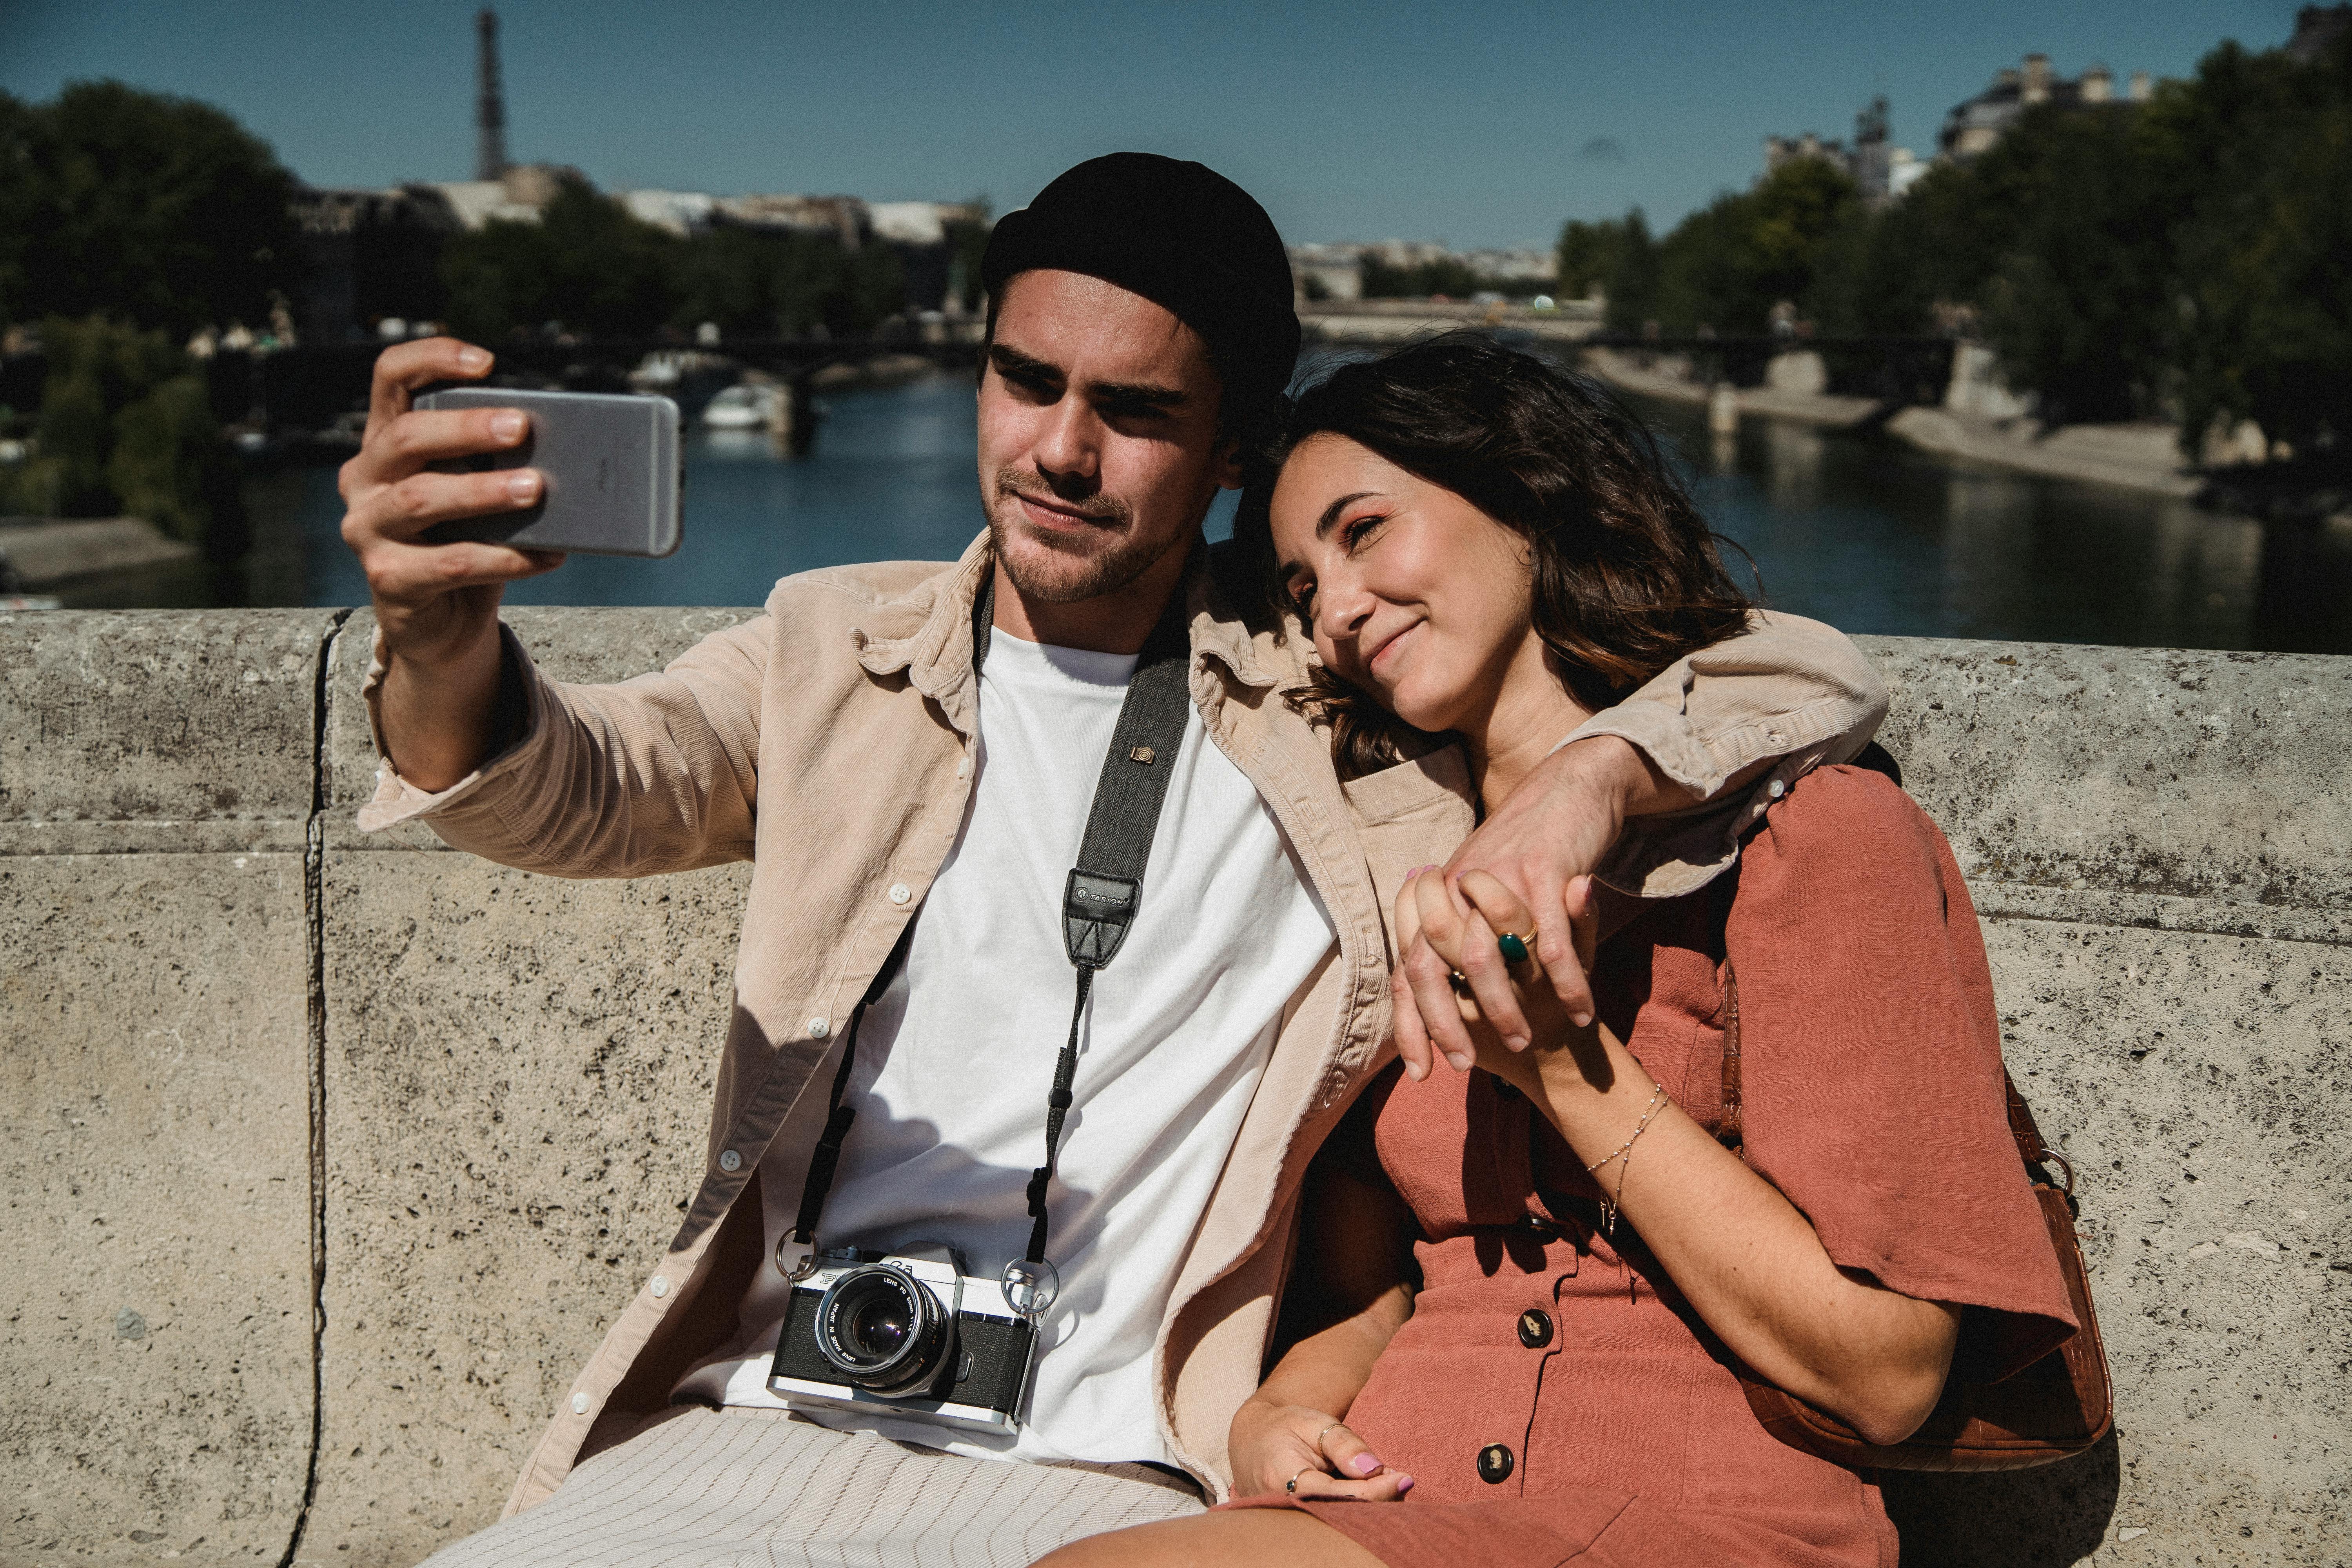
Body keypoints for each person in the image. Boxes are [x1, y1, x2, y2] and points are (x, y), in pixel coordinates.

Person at [338, 156, 1889, 1566]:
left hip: (1124, 1477)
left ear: (1229, 454)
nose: (1061, 452)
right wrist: (435, 632)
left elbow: (1797, 667)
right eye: (1027, 383)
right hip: (745, 1428)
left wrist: (1587, 782)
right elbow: (568, 789)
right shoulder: (836, 652)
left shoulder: (1343, 696)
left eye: (1137, 414)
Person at [1040, 337, 2081, 1568]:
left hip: (1707, 1524)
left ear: (1525, 501)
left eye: (1363, 532)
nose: (1336, 612)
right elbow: (1385, 1287)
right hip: (1395, 1506)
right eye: (1301, 585)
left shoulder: (1816, 836)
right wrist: (1284, 1406)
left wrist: (1564, 1069)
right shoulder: (1388, 879)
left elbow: (1889, 1372)